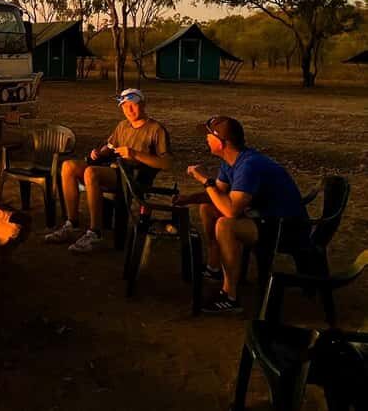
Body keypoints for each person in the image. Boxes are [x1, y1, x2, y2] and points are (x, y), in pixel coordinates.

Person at [182, 116, 306, 315]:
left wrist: (204, 179)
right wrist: (189, 198)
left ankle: (229, 296)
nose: (205, 139)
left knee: (226, 224)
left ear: (221, 142)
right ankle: (214, 267)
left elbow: (231, 210)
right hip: (266, 218)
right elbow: (217, 194)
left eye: (208, 135)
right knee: (208, 208)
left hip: (287, 226)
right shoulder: (231, 161)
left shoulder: (248, 165)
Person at [45, 88, 172, 252]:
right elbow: (110, 146)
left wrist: (135, 154)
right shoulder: (123, 126)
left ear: (143, 104)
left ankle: (94, 232)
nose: (129, 110)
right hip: (115, 169)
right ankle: (71, 224)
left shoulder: (156, 129)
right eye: (125, 106)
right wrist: (99, 153)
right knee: (68, 166)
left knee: (91, 173)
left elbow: (167, 163)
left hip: (133, 177)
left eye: (133, 105)